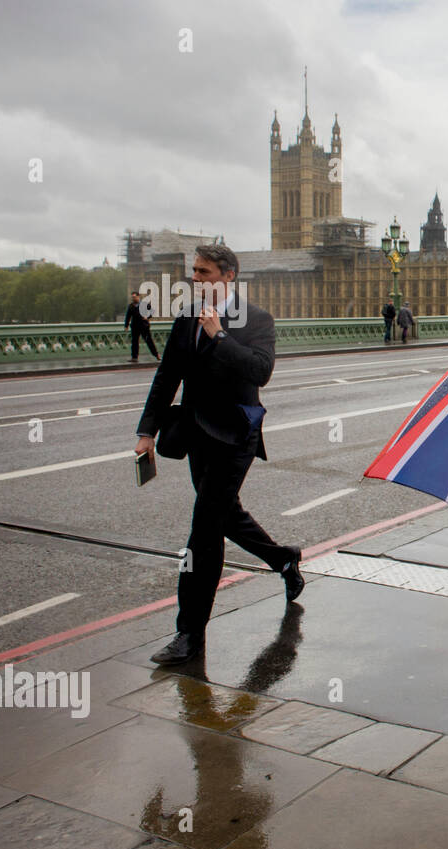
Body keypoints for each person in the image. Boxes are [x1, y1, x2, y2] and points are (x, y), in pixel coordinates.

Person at [133, 243, 304, 666]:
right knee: (227, 515)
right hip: (197, 436)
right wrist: (146, 431)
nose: (196, 279)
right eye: (194, 271)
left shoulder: (257, 319)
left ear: (229, 276)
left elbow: (259, 371)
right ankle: (284, 560)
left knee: (205, 530)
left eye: (204, 272)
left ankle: (189, 636)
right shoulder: (186, 317)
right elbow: (167, 375)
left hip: (236, 437)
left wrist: (219, 335)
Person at [124, 291, 160, 362]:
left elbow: (152, 312)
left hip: (144, 326)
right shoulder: (131, 306)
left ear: (138, 297)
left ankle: (156, 355)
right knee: (134, 342)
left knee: (149, 341)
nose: (133, 299)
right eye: (132, 297)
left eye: (135, 297)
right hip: (135, 327)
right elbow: (128, 316)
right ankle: (134, 357)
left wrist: (147, 317)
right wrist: (126, 325)